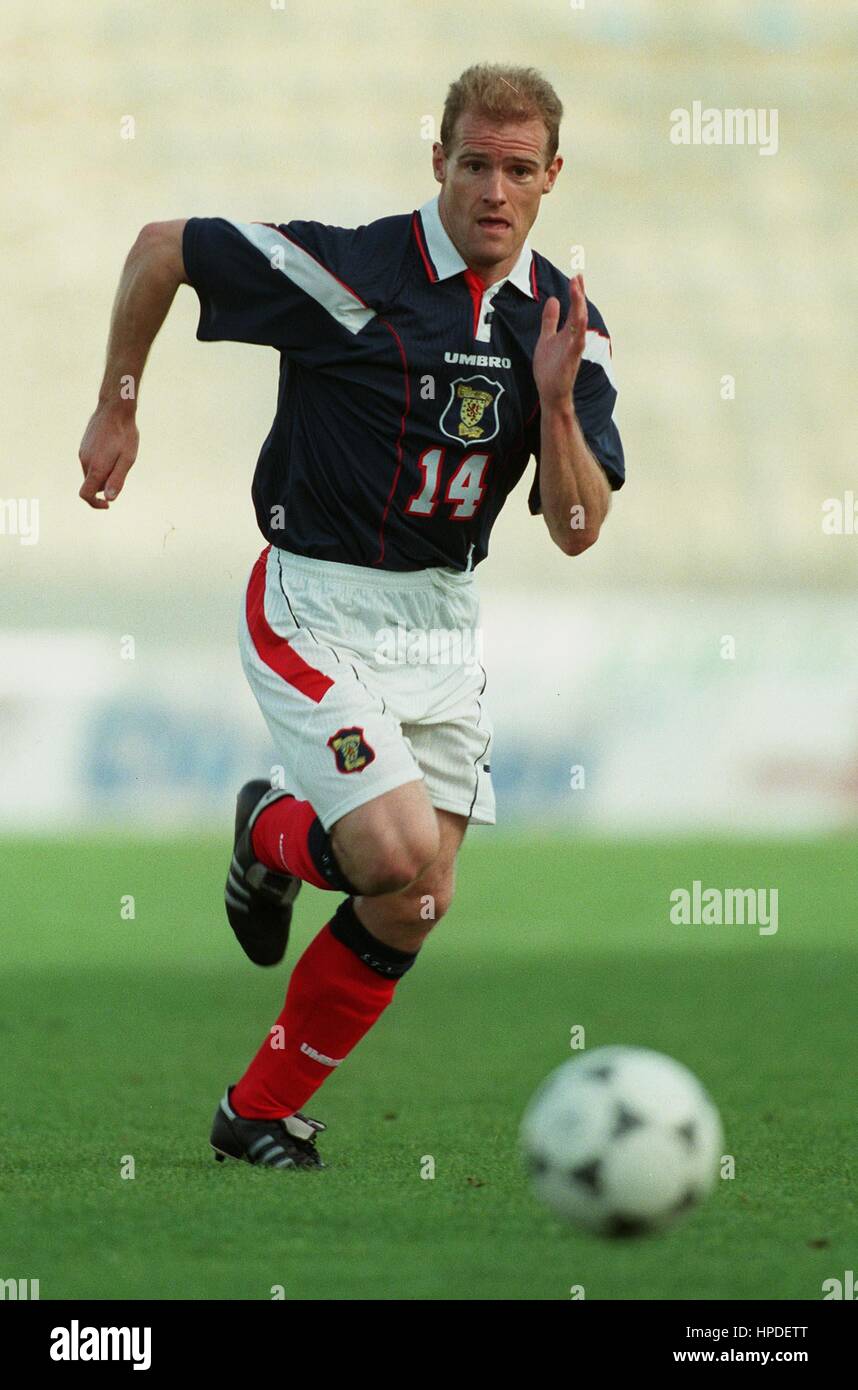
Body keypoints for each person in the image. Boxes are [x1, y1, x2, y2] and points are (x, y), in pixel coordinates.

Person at [78, 63, 625, 1171]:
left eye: (520, 170)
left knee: (417, 901)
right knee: (392, 850)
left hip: (441, 620)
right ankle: (268, 831)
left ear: (553, 177)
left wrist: (558, 403)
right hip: (315, 601)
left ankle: (255, 1114)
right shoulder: (352, 269)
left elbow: (577, 528)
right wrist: (116, 406)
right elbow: (159, 248)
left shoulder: (565, 326)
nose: (495, 190)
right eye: (475, 163)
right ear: (439, 160)